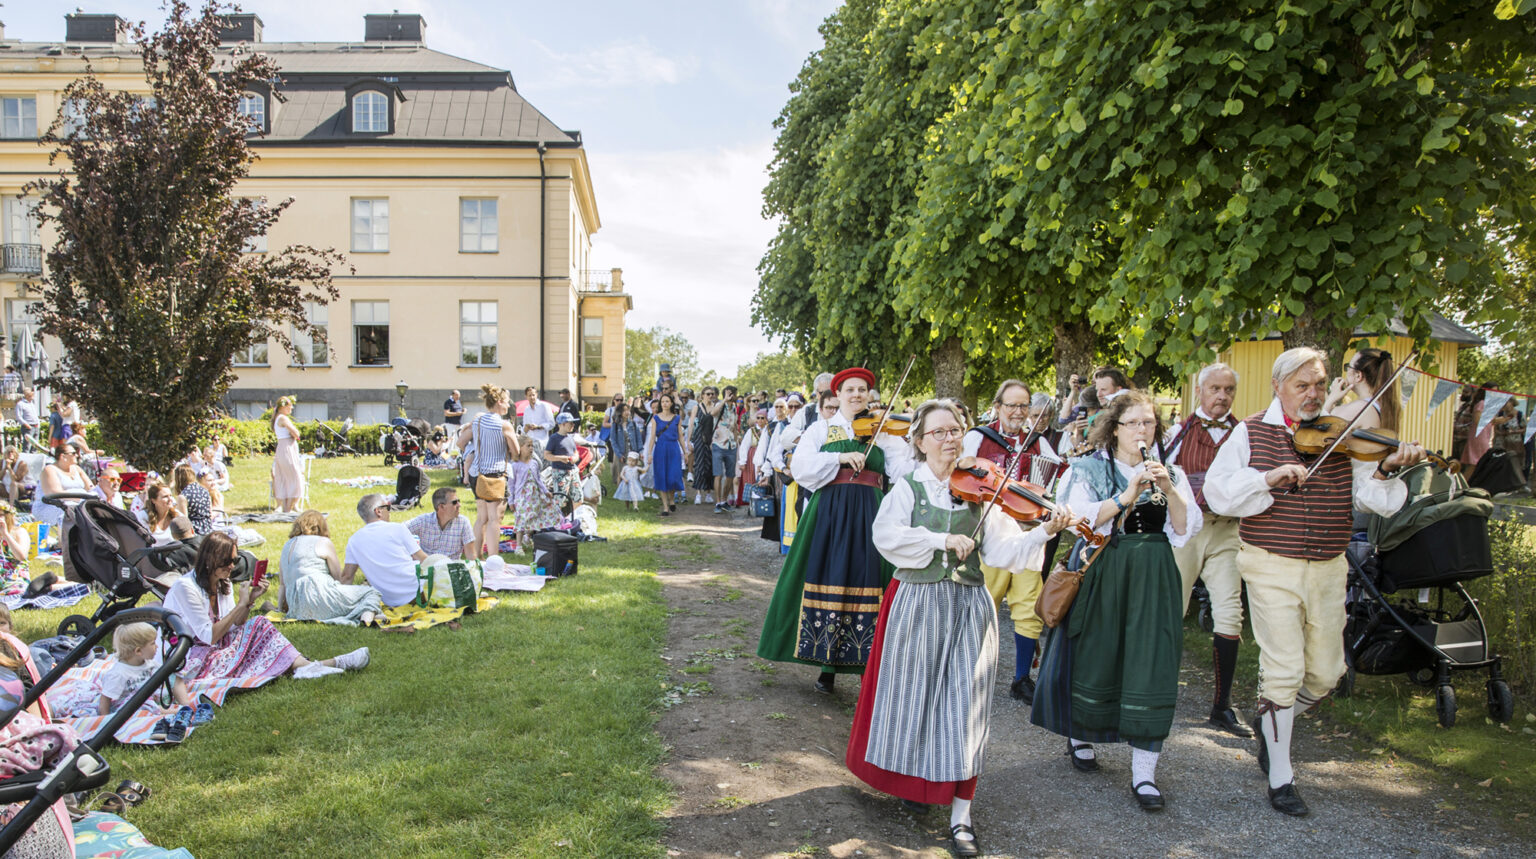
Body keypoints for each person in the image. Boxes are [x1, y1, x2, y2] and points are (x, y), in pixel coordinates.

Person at [847, 400, 1072, 858]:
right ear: (921, 441)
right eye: (939, 432)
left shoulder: (984, 490)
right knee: (913, 698)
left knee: (964, 708)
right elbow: (885, 536)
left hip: (969, 607)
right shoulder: (909, 486)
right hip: (916, 602)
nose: (949, 439)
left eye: (956, 430)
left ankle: (961, 816)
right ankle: (914, 781)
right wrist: (939, 539)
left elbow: (1005, 549)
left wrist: (1044, 533)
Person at [1206, 347, 1423, 817]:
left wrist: (1386, 467)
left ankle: (1272, 727)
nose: (1312, 394)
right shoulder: (1250, 431)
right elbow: (1218, 492)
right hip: (1269, 563)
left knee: (1326, 673)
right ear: (1277, 387)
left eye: (1320, 385)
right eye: (1302, 385)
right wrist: (1267, 479)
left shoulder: (1342, 433)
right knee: (1283, 669)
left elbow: (1376, 500)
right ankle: (1281, 776)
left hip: (1329, 566)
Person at [1032, 390, 1200, 813]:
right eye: (1134, 423)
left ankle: (1144, 772)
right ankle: (1080, 733)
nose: (1142, 431)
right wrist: (1127, 494)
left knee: (1151, 661)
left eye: (1149, 423)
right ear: (1114, 427)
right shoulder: (1088, 467)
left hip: (1153, 573)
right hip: (1104, 569)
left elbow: (1185, 530)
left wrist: (1168, 488)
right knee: (1096, 654)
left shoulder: (1171, 472)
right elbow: (1077, 518)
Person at [758, 367, 914, 693]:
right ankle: (826, 667)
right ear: (837, 395)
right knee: (829, 577)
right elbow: (800, 467)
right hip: (829, 512)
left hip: (871, 511)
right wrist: (841, 455)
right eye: (850, 390)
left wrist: (921, 449)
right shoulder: (822, 429)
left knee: (868, 579)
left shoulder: (882, 433)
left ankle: (869, 667)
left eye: (863, 390)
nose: (857, 395)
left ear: (870, 396)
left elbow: (901, 469)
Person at [1162, 362, 1251, 738]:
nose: (1222, 397)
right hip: (1188, 532)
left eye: (1229, 390)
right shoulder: (1178, 432)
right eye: (1215, 389)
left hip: (1228, 530)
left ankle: (1222, 706)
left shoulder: (1243, 432)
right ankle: (1158, 694)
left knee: (1230, 613)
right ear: (1200, 391)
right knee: (1172, 610)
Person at [959, 379, 1061, 704]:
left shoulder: (1039, 443)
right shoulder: (978, 437)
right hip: (992, 530)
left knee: (1028, 604)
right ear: (998, 406)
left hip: (1030, 532)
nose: (1018, 412)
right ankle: (969, 671)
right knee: (985, 600)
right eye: (1012, 405)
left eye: (1024, 405)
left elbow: (1057, 475)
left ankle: (1021, 678)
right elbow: (960, 474)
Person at [163, 532, 370, 683]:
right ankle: (326, 664)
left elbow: (235, 625)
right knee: (259, 642)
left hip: (216, 646)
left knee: (260, 623)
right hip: (191, 657)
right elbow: (210, 636)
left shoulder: (220, 583)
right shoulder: (186, 588)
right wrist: (242, 604)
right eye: (227, 561)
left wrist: (250, 600)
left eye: (234, 560)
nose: (232, 566)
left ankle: (309, 666)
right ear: (210, 561)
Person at [279, 509, 382, 626]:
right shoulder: (322, 541)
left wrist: (280, 609)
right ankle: (366, 621)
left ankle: (363, 615)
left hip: (297, 607)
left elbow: (282, 584)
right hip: (320, 596)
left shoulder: (286, 546)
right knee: (371, 592)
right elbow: (338, 577)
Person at [457, 384, 519, 557]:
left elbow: (460, 443)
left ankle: (476, 556)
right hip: (496, 474)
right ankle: (493, 559)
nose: (508, 405)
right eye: (506, 402)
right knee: (494, 520)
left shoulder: (477, 420)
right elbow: (516, 452)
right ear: (499, 402)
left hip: (477, 472)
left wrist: (475, 451)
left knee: (481, 517)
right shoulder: (504, 425)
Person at [342, 494, 430, 608]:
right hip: (420, 591)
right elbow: (424, 560)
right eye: (388, 508)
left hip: (391, 600)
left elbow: (347, 577)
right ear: (378, 511)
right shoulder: (397, 528)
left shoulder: (354, 540)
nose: (389, 512)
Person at [95, 621, 196, 717]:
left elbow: (165, 676)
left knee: (174, 675)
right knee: (138, 704)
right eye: (153, 643)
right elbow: (105, 700)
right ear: (138, 651)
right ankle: (177, 712)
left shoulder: (148, 663)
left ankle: (185, 704)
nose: (157, 646)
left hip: (152, 696)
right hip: (132, 706)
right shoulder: (119, 673)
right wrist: (105, 719)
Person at [1323, 347, 1400, 432]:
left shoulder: (1360, 408)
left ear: (1358, 376)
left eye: (1349, 367)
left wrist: (1330, 400)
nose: (1346, 371)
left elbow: (1319, 430)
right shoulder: (1380, 405)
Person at [507, 435, 563, 552]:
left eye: (532, 446)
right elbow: (511, 485)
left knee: (536, 517)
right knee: (521, 519)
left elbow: (538, 479)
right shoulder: (515, 465)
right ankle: (518, 546)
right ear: (520, 448)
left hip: (534, 495)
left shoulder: (534, 463)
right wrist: (511, 501)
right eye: (528, 446)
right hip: (522, 497)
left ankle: (528, 536)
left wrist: (546, 491)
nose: (531, 448)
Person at [644, 392, 687, 515]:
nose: (665, 404)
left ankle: (672, 499)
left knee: (673, 476)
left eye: (667, 401)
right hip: (660, 448)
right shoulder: (655, 418)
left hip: (673, 448)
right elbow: (652, 437)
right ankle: (665, 507)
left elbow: (680, 436)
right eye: (663, 401)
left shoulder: (677, 418)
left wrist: (685, 452)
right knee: (661, 476)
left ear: (671, 403)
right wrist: (650, 454)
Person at [406, 487, 476, 561]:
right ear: (441, 507)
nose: (459, 505)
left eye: (459, 501)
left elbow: (471, 555)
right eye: (455, 502)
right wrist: (414, 552)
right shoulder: (423, 521)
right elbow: (399, 530)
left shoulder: (463, 523)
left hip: (451, 569)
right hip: (427, 568)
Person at [33, 444, 89, 529]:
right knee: (74, 510)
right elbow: (55, 493)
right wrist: (80, 498)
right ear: (63, 456)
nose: (77, 455)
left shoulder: (77, 469)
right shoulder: (50, 470)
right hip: (50, 506)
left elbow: (90, 487)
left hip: (73, 503)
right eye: (74, 453)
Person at [542, 414, 583, 511]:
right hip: (560, 472)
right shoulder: (554, 438)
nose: (573, 425)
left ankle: (574, 517)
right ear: (563, 424)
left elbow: (575, 452)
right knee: (560, 499)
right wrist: (560, 458)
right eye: (571, 423)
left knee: (578, 497)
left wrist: (575, 458)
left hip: (572, 470)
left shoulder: (570, 437)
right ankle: (558, 520)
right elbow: (547, 455)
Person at [271, 396, 303, 513]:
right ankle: (288, 508)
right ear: (283, 407)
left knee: (285, 477)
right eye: (290, 406)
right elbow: (296, 433)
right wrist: (296, 433)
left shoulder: (279, 418)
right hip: (286, 448)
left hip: (284, 448)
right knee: (295, 477)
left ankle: (289, 506)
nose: (292, 408)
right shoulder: (283, 418)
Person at [173, 463, 214, 536]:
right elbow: (210, 513)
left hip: (194, 534)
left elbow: (183, 522)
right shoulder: (205, 491)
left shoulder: (183, 496)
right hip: (209, 531)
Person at [519, 386, 558, 452]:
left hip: (542, 442)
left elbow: (552, 424)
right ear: (526, 396)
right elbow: (524, 427)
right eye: (529, 395)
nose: (532, 397)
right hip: (530, 443)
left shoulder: (544, 406)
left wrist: (538, 427)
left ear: (537, 394)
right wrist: (525, 428)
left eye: (533, 395)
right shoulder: (526, 409)